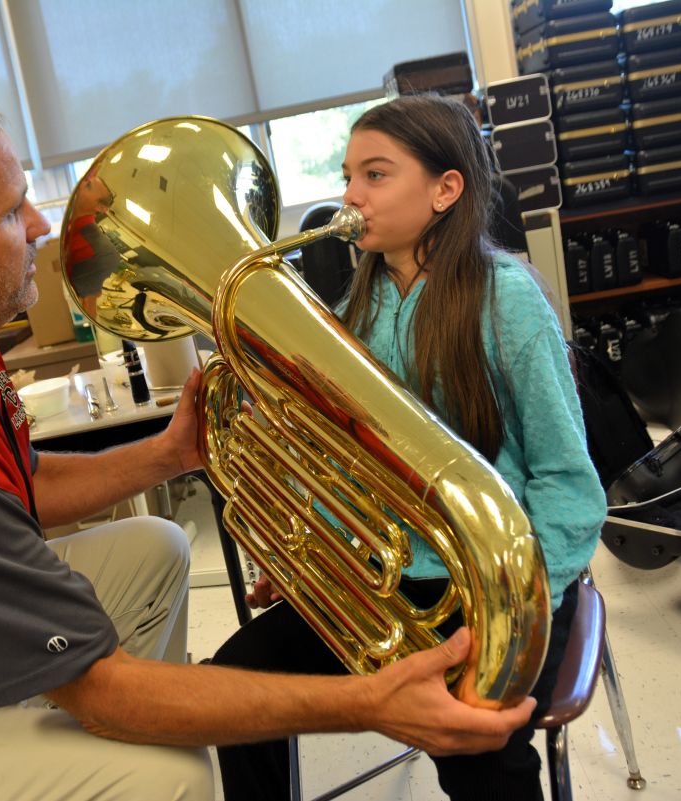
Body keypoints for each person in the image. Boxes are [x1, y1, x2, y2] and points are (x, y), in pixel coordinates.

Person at [0, 86, 538, 801]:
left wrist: (169, 455)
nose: (38, 229)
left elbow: (19, 484)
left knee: (158, 543)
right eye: (12, 211)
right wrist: (372, 702)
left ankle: (86, 737)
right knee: (172, 774)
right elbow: (101, 685)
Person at [212, 94, 606, 801]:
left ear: (446, 190)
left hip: (503, 583)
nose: (349, 194)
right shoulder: (351, 311)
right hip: (387, 583)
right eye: (346, 174)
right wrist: (315, 556)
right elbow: (340, 465)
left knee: (477, 754)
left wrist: (515, 609)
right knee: (235, 687)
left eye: (375, 174)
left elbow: (568, 481)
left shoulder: (505, 297)